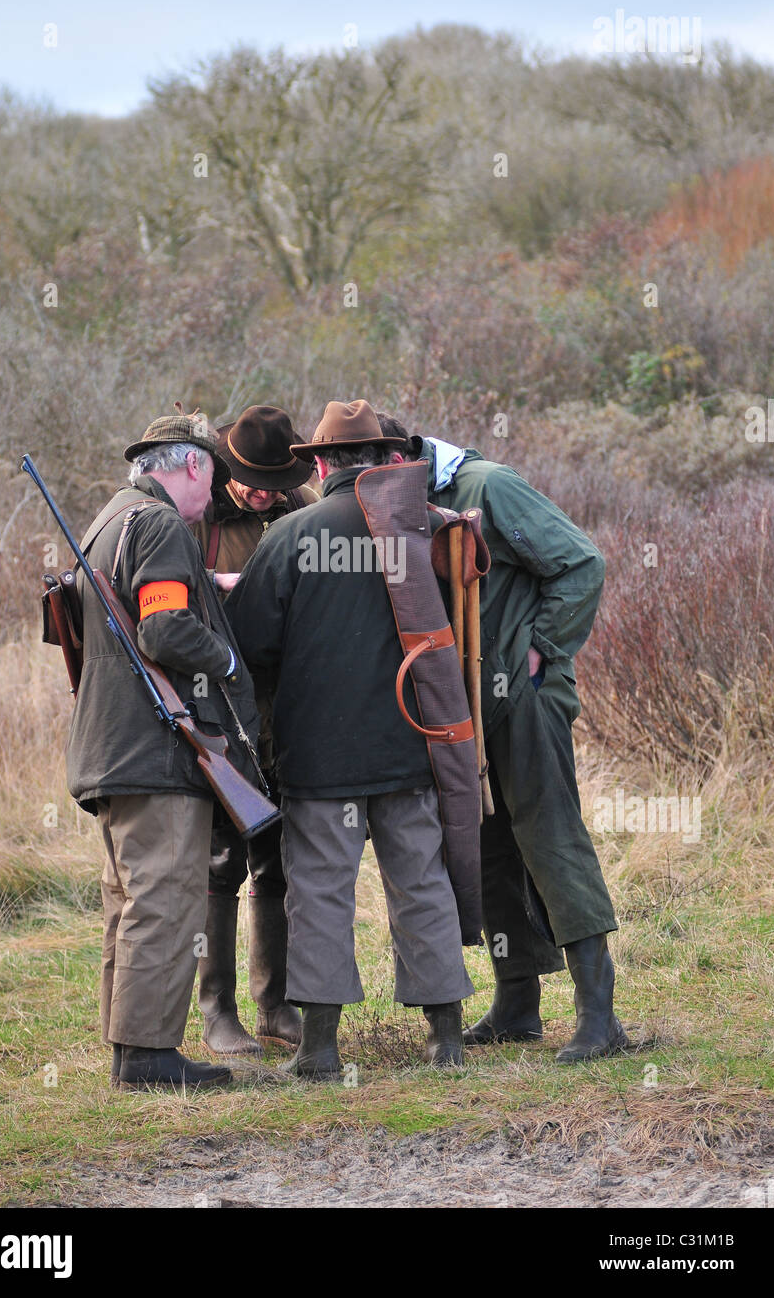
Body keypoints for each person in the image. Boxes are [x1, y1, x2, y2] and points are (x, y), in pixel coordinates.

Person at [224, 399, 474, 1078]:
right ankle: (445, 1038)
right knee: (421, 884)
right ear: (382, 458)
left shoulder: (291, 535)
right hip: (411, 744)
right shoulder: (421, 532)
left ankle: (320, 1050)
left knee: (320, 893)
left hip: (319, 757)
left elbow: (250, 645)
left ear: (321, 462)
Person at [377, 414, 626, 1064]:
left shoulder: (486, 487)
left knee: (548, 837)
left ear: (402, 455)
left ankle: (599, 1020)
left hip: (527, 699)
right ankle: (516, 1005)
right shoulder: (396, 507)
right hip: (465, 708)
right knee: (487, 845)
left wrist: (541, 649)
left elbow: (580, 563)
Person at [66, 407, 261, 1091]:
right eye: (211, 478)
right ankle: (148, 1058)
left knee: (128, 899)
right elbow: (164, 630)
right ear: (189, 465)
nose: (212, 498)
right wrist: (230, 665)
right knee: (166, 896)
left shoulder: (108, 520)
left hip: (107, 747)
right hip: (155, 748)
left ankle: (131, 1051)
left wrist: (210, 588)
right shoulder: (158, 524)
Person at [190, 405, 318, 1056]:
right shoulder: (195, 513)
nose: (261, 491)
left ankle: (277, 1005)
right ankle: (217, 1009)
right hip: (216, 707)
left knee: (279, 858)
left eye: (273, 480)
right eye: (250, 479)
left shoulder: (302, 510)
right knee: (220, 858)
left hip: (287, 706)